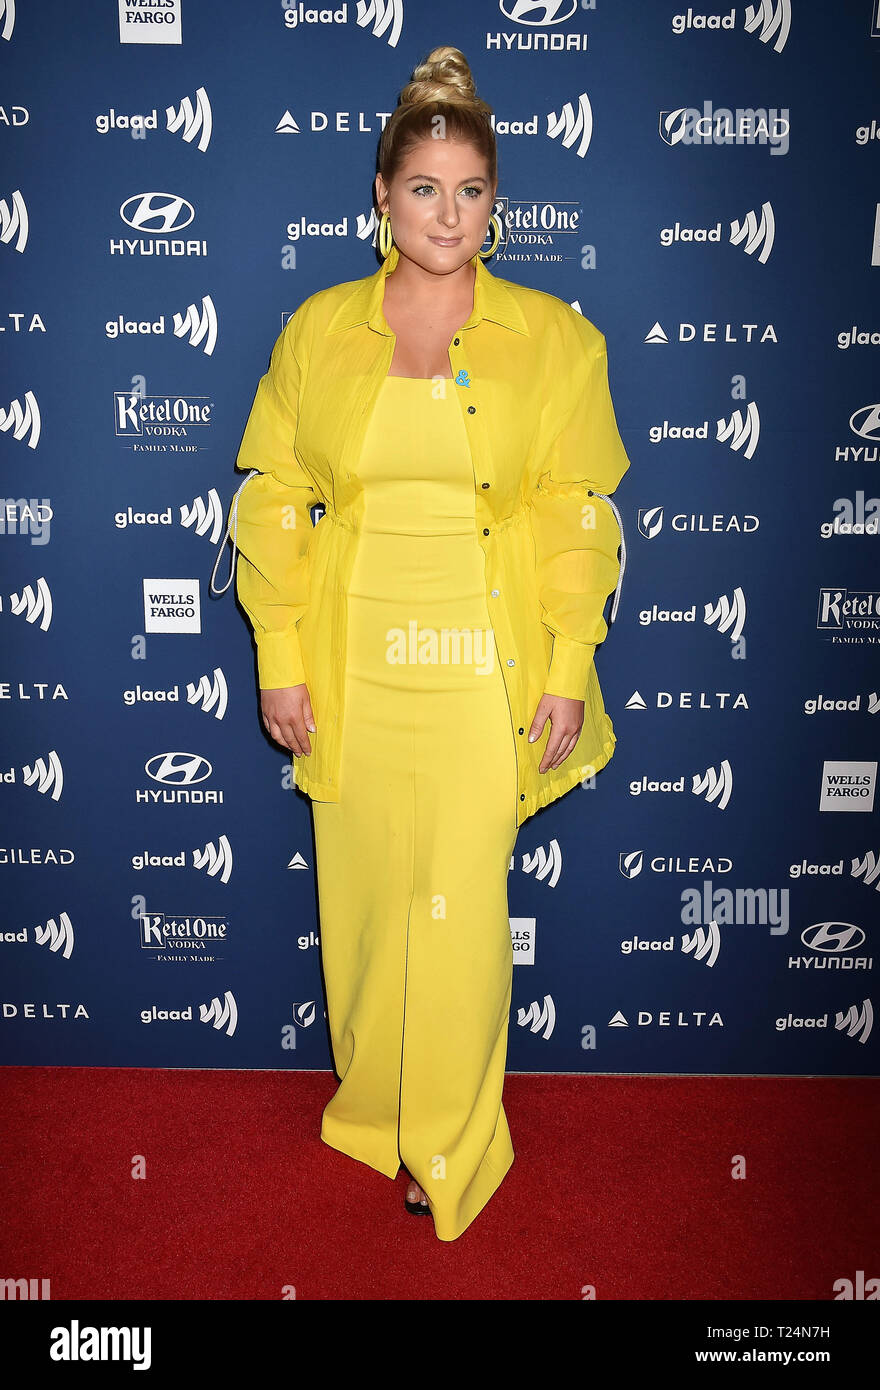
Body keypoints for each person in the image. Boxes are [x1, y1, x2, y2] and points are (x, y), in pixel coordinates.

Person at [211, 45, 631, 1242]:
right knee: (362, 909)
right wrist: (279, 656)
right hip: (351, 666)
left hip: (476, 676)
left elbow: (573, 519)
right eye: (423, 189)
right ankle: (373, 1110)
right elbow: (274, 496)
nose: (448, 214)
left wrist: (563, 669)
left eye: (471, 190)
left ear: (497, 203)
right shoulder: (317, 329)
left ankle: (450, 1139)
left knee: (455, 916)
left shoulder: (555, 340)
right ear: (381, 198)